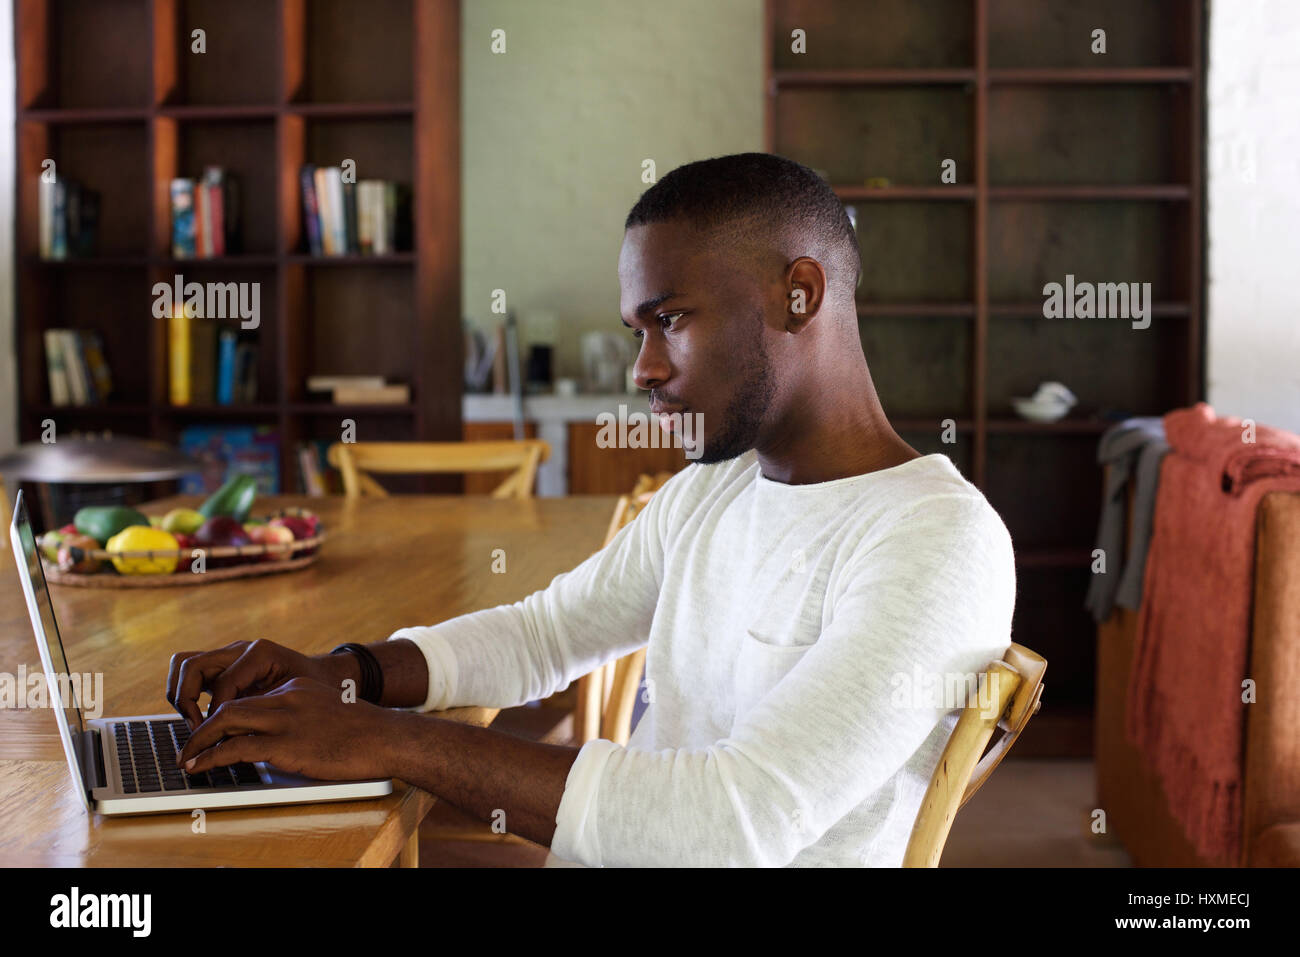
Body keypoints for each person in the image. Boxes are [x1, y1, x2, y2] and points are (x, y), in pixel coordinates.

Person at [168, 152, 1016, 867]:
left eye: (670, 320)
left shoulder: (937, 538)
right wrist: (345, 673)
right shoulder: (713, 491)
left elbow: (731, 824)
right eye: (636, 332)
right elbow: (545, 633)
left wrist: (380, 738)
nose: (642, 369)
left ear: (800, 293)